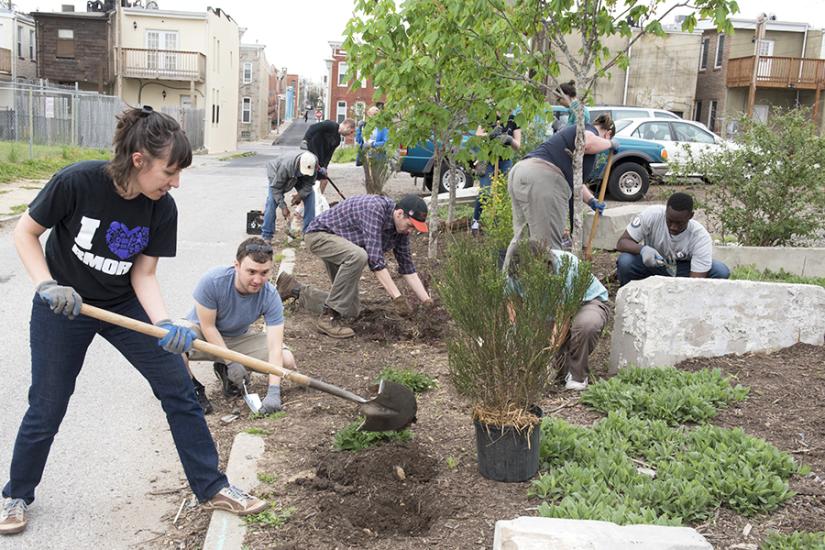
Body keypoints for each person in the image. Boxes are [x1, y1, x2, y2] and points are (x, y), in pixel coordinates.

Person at [0, 106, 266, 536]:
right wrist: (46, 285)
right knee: (48, 404)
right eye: (170, 171)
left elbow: (143, 273)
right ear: (139, 160)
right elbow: (24, 232)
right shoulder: (77, 181)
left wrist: (164, 322)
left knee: (179, 389)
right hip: (63, 305)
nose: (175, 182)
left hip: (123, 305)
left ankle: (213, 486)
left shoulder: (162, 209)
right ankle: (16, 493)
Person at [182, 238, 297, 414]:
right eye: (251, 271)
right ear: (236, 265)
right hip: (203, 336)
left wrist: (274, 392)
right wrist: (231, 360)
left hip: (238, 338)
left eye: (264, 272)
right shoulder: (213, 281)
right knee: (174, 341)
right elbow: (208, 327)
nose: (258, 280)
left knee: (287, 360)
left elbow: (274, 347)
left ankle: (225, 372)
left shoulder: (270, 296)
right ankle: (192, 388)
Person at [304, 194, 432, 338]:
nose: (410, 231)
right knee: (359, 256)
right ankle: (328, 318)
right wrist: (398, 299)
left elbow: (408, 268)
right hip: (320, 236)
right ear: (399, 213)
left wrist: (427, 302)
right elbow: (375, 261)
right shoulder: (374, 209)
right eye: (410, 225)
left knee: (350, 310)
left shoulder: (401, 231)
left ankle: (297, 290)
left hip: (343, 245)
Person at [504, 113, 617, 268]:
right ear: (607, 133)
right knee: (547, 247)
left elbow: (576, 181)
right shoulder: (587, 130)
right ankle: (549, 289)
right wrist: (611, 144)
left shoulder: (571, 136)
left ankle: (510, 285)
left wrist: (591, 200)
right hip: (543, 179)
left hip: (521, 172)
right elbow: (587, 142)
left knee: (522, 238)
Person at [507, 241, 609, 391]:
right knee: (556, 366)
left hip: (586, 303)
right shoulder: (516, 271)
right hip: (549, 311)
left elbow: (563, 319)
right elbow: (514, 308)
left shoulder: (564, 266)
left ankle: (578, 375)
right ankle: (562, 367)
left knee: (586, 325)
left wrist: (548, 354)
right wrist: (521, 339)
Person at [615, 192, 731, 286]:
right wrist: (643, 249)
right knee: (626, 261)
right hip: (653, 265)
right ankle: (628, 296)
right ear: (665, 211)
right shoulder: (652, 215)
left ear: (690, 216)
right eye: (669, 221)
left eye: (679, 223)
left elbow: (695, 282)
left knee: (720, 271)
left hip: (682, 270)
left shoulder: (700, 237)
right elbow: (622, 243)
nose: (673, 227)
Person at [472, 110, 522, 233]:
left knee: (505, 190)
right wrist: (490, 135)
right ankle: (475, 221)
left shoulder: (513, 120)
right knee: (486, 191)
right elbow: (477, 135)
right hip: (487, 159)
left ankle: (498, 223)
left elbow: (518, 146)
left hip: (505, 159)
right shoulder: (488, 116)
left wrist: (509, 140)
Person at [260, 151, 317, 242]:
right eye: (304, 172)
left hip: (298, 177)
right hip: (277, 175)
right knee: (271, 202)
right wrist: (283, 207)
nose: (306, 174)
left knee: (310, 197)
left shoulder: (313, 162)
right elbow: (276, 188)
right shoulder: (285, 166)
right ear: (298, 164)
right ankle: (267, 235)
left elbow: (309, 184)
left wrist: (300, 195)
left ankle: (308, 233)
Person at [303, 118, 356, 197]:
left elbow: (329, 155)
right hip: (311, 154)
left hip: (319, 160)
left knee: (324, 180)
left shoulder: (337, 140)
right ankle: (300, 205)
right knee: (309, 180)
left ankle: (318, 200)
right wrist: (305, 140)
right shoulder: (330, 125)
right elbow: (312, 127)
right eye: (351, 132)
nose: (350, 135)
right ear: (347, 126)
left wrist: (324, 167)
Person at [355, 106, 390, 195]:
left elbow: (386, 143)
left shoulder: (383, 128)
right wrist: (359, 128)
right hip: (366, 157)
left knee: (377, 180)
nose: (374, 116)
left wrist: (373, 144)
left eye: (376, 114)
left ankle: (377, 198)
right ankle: (369, 197)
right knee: (368, 180)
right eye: (372, 114)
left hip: (378, 157)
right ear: (368, 115)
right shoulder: (366, 127)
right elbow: (359, 140)